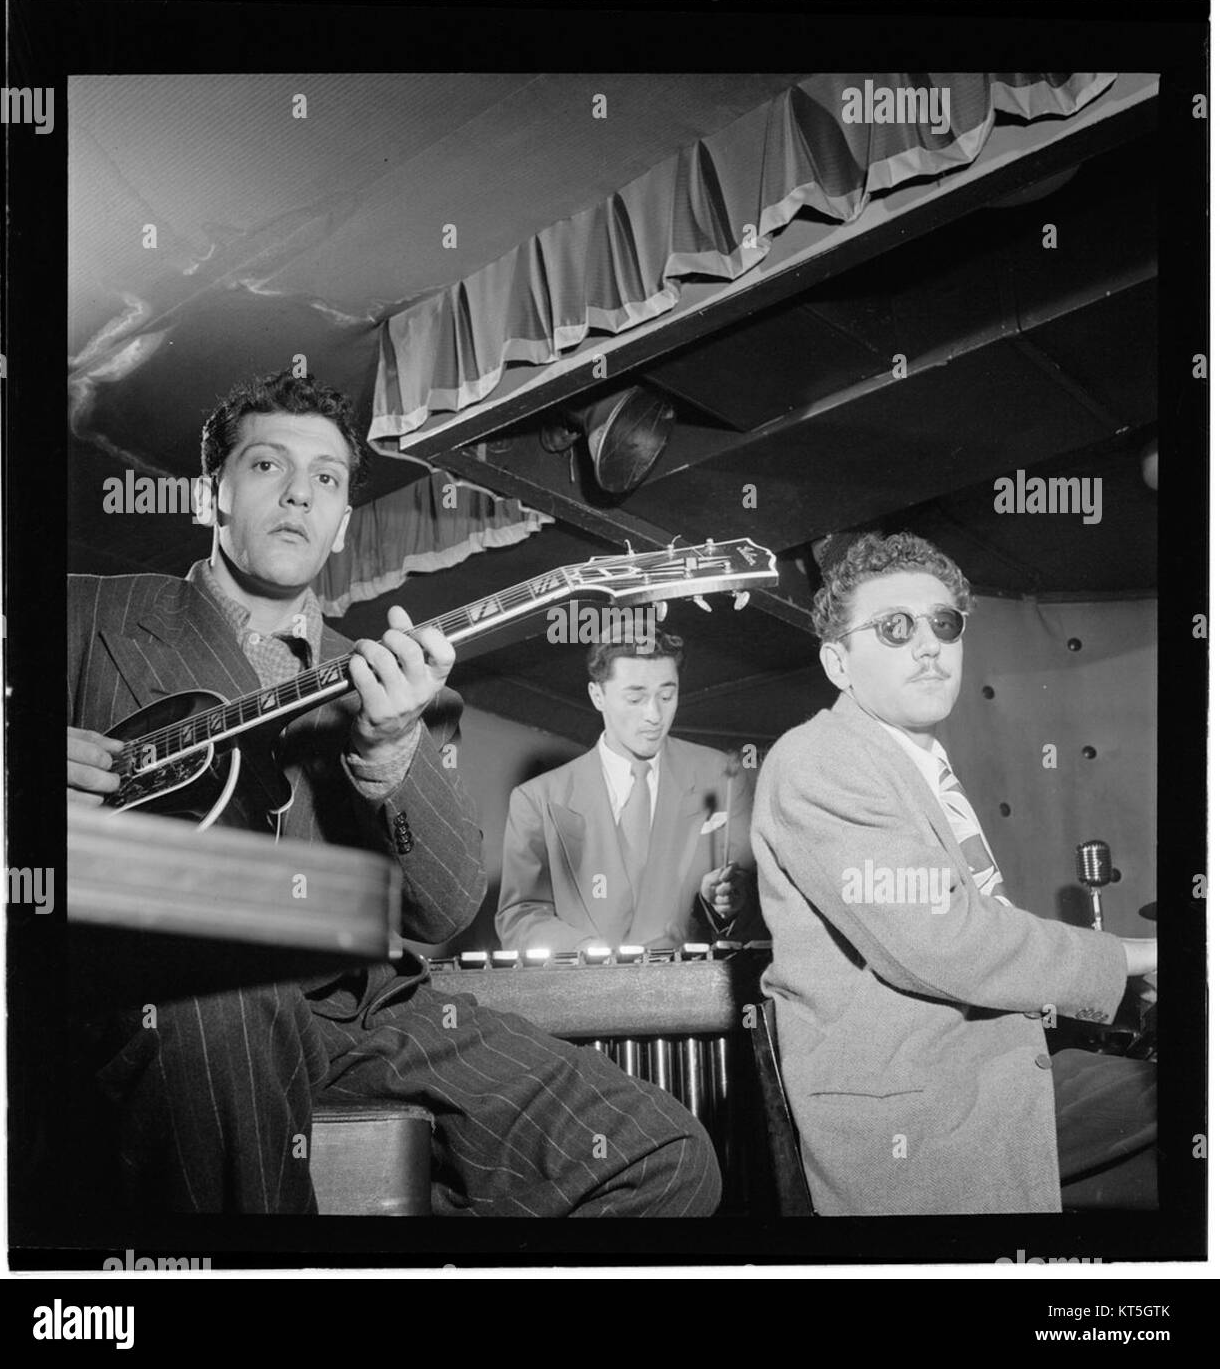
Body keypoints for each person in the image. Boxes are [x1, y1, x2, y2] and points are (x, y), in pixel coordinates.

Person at [66, 368, 721, 1217]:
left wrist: (388, 753)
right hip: (161, 998)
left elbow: (441, 912)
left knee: (666, 1160)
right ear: (213, 494)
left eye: (328, 481)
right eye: (267, 467)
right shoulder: (78, 617)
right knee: (217, 998)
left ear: (342, 527)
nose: (300, 495)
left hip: (360, 1011)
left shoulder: (413, 695)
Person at [752, 531, 1157, 1216]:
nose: (928, 645)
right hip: (922, 1118)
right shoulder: (819, 759)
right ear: (837, 663)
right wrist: (1138, 957)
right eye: (892, 628)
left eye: (943, 624)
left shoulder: (914, 759)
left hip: (982, 1075)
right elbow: (947, 942)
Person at [497, 631, 758, 953]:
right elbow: (519, 917)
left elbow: (757, 902)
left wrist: (720, 907)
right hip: (585, 993)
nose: (654, 716)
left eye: (666, 696)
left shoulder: (723, 776)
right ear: (597, 695)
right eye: (635, 699)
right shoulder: (536, 798)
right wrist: (586, 950)